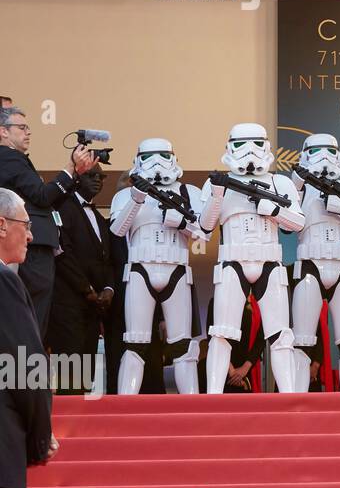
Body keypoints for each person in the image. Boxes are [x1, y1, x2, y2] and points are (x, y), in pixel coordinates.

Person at [199, 123, 306, 394]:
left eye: (256, 144)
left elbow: (298, 222)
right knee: (221, 333)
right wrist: (217, 195)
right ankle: (213, 396)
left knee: (281, 335)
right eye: (240, 144)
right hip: (232, 262)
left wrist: (272, 209)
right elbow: (204, 227)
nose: (249, 151)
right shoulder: (217, 184)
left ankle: (289, 397)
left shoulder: (279, 183)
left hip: (269, 262)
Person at [108, 139, 204, 395]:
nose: (157, 162)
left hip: (177, 269)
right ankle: (125, 409)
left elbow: (203, 232)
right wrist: (136, 199)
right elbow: (117, 230)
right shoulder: (123, 196)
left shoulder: (189, 193)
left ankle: (192, 410)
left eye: (163, 155)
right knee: (135, 344)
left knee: (183, 346)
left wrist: (180, 222)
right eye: (150, 156)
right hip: (140, 270)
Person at [0, 105, 96, 339]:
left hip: (35, 245)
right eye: (21, 127)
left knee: (34, 312)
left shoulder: (16, 160)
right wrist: (69, 168)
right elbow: (42, 196)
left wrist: (74, 174)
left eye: (28, 128)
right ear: (3, 131)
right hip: (31, 247)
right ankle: (25, 367)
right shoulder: (9, 158)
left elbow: (48, 200)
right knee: (32, 313)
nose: (28, 132)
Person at [289, 133, 340, 393]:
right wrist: (297, 187)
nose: (323, 158)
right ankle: (297, 400)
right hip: (309, 266)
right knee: (302, 342)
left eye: (329, 151)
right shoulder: (296, 191)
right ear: (304, 155)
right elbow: (289, 225)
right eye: (316, 151)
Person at [0, 188, 55, 488]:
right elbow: (26, 366)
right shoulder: (5, 281)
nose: (32, 236)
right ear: (1, 226)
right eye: (26, 224)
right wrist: (39, 438)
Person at [48, 164, 114, 394]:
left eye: (101, 176)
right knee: (69, 377)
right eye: (90, 176)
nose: (97, 180)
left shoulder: (97, 215)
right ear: (76, 179)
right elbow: (61, 253)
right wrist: (86, 289)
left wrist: (108, 289)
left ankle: (82, 426)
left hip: (92, 308)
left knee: (85, 378)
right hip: (67, 304)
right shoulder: (62, 207)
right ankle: (67, 426)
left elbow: (106, 259)